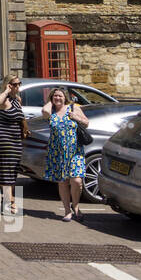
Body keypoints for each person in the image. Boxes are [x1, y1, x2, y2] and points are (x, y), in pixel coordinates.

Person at [42, 86, 92, 221]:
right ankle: (67, 210)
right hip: (57, 152)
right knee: (63, 182)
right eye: (55, 96)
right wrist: (50, 101)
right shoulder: (50, 111)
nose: (58, 98)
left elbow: (86, 123)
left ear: (65, 98)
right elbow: (44, 111)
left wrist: (76, 117)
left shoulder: (73, 108)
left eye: (60, 96)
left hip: (75, 151)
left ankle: (75, 206)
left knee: (76, 180)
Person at [0, 74, 27, 215]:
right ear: (9, 85)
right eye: (15, 84)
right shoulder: (3, 100)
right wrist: (5, 91)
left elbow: (19, 118)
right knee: (6, 173)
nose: (18, 87)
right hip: (4, 140)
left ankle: (7, 200)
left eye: (19, 83)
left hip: (16, 140)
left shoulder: (17, 100)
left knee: (13, 172)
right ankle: (8, 203)